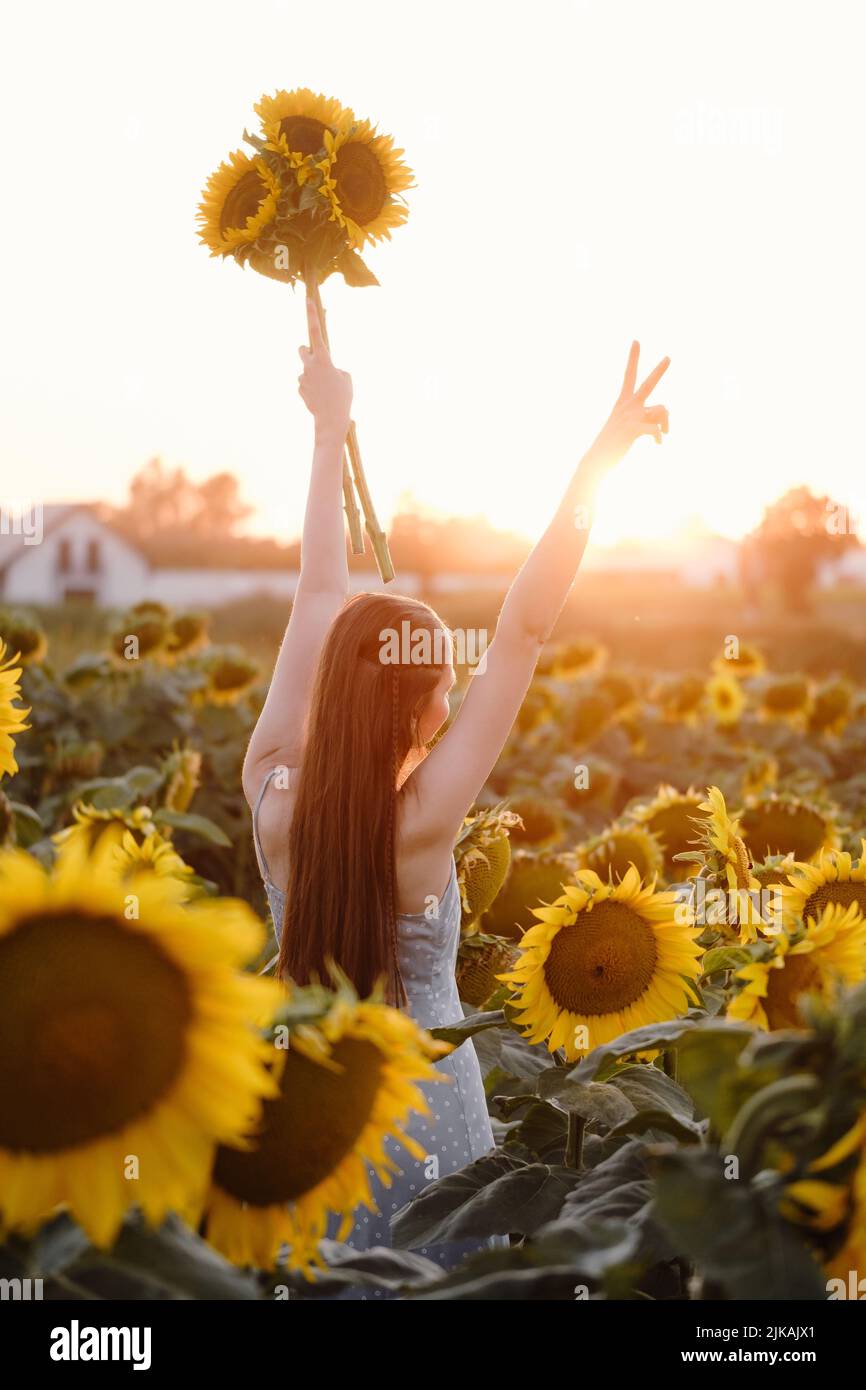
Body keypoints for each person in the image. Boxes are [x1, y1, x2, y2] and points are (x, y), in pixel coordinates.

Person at [242, 293, 669, 1276]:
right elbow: (521, 629)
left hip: (314, 1114)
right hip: (434, 1129)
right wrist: (596, 463)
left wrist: (326, 431)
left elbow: (318, 593)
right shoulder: (426, 822)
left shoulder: (271, 794)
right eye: (437, 694)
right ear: (415, 712)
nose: (444, 712)